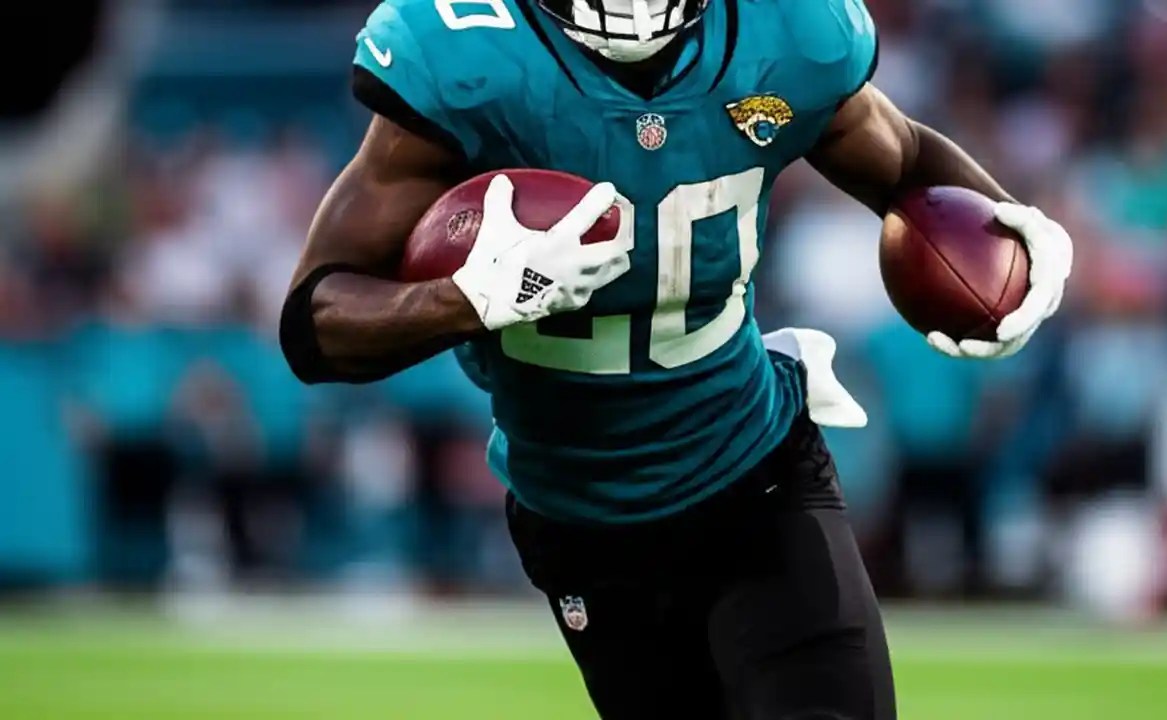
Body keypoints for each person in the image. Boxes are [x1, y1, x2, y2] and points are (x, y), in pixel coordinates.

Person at [279, 0, 1073, 717]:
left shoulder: (783, 29)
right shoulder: (467, 56)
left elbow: (901, 159)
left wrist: (1009, 235)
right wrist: (470, 297)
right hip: (579, 517)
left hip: (752, 472)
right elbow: (315, 323)